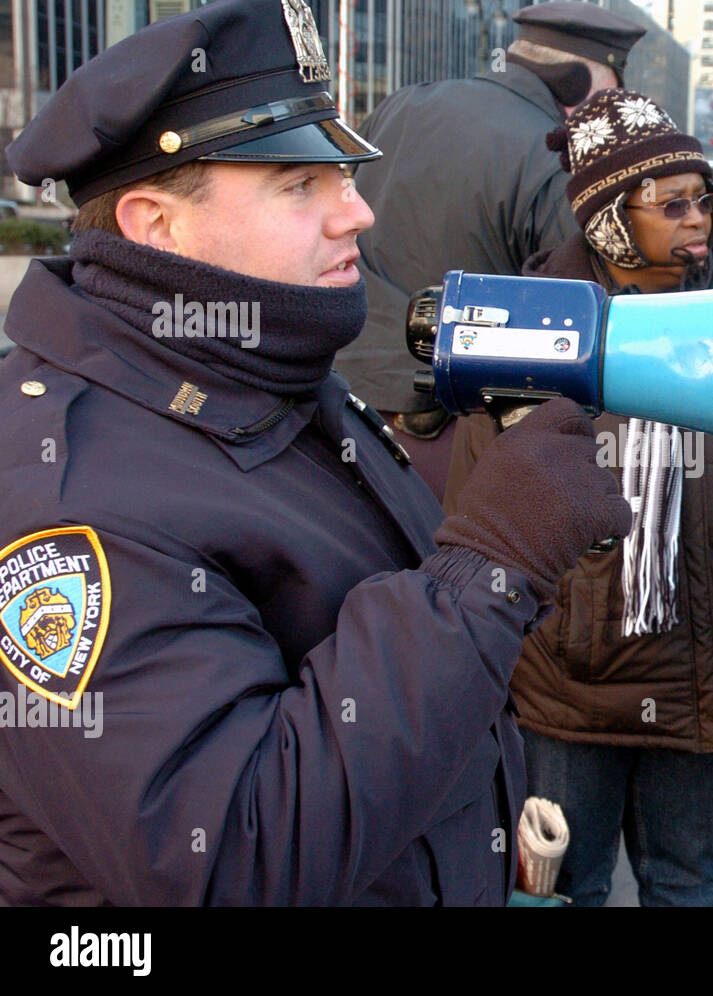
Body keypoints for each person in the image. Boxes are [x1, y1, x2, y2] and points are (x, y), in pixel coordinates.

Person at [0, 0, 629, 906]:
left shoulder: (266, 368)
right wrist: (495, 560)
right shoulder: (64, 501)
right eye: (301, 185)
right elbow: (231, 854)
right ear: (152, 223)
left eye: (345, 175)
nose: (358, 213)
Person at [445, 90, 713, 907]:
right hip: (571, 673)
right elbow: (486, 497)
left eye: (704, 196)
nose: (699, 217)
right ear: (608, 221)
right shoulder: (528, 316)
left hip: (711, 653)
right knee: (567, 886)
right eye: (673, 204)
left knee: (684, 879)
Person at [331, 1, 644, 501]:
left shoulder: (401, 103)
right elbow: (572, 320)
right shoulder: (553, 158)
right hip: (461, 436)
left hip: (343, 410)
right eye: (607, 95)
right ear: (575, 85)